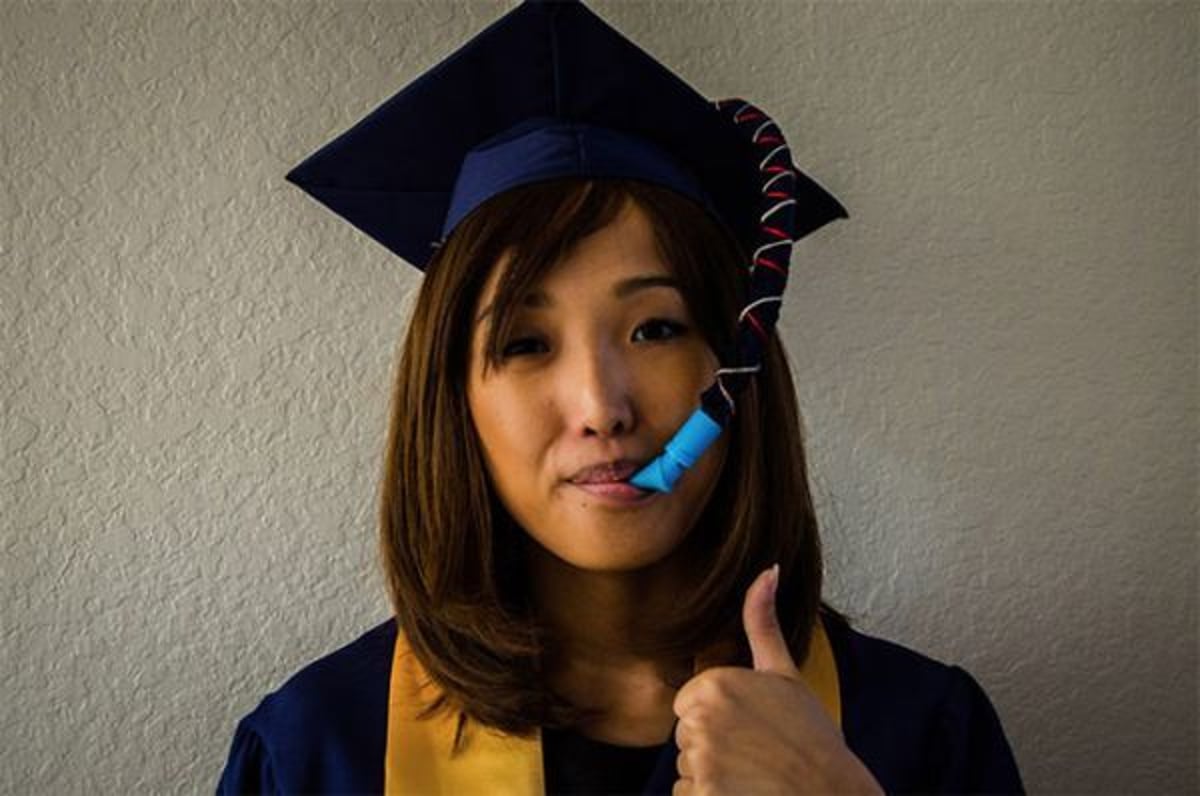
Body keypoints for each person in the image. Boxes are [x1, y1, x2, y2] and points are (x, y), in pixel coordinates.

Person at [218, 2, 1025, 794]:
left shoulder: (921, 735)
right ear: (453, 399)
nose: (602, 406)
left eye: (657, 330)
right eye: (525, 343)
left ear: (739, 368)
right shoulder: (318, 754)